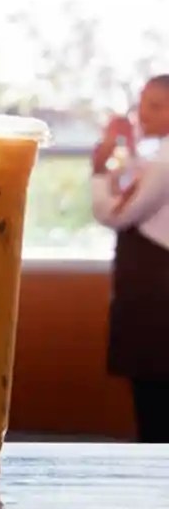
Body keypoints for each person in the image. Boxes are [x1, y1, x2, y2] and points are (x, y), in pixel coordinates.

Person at [91, 74, 169, 443]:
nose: (144, 113)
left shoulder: (165, 162)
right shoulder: (157, 159)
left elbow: (117, 213)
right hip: (152, 297)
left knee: (155, 410)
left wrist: (97, 169)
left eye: (156, 105)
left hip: (156, 301)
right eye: (143, 103)